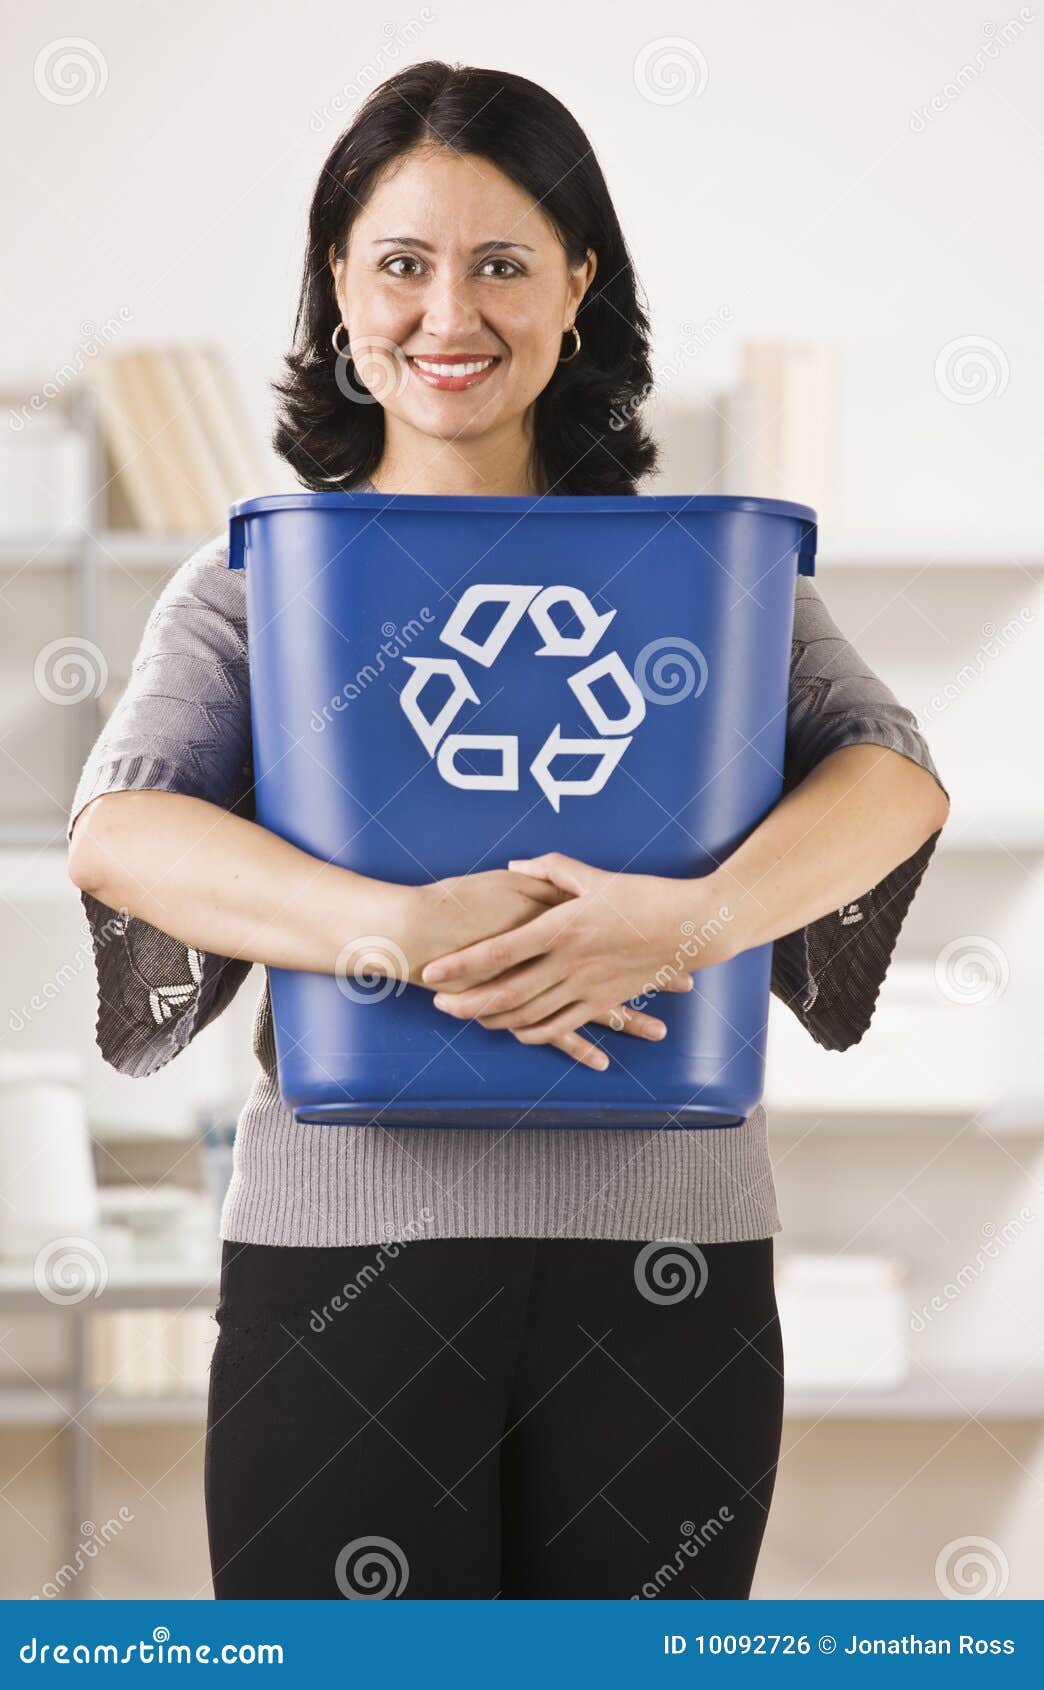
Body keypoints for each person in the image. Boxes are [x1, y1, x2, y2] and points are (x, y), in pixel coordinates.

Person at [66, 61, 949, 1600]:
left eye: (501, 264)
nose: (446, 314)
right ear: (341, 285)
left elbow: (892, 777)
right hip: (344, 1256)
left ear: (577, 284)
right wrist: (402, 928)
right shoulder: (259, 582)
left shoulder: (704, 570)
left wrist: (684, 921)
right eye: (402, 264)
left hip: (666, 1262)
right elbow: (125, 831)